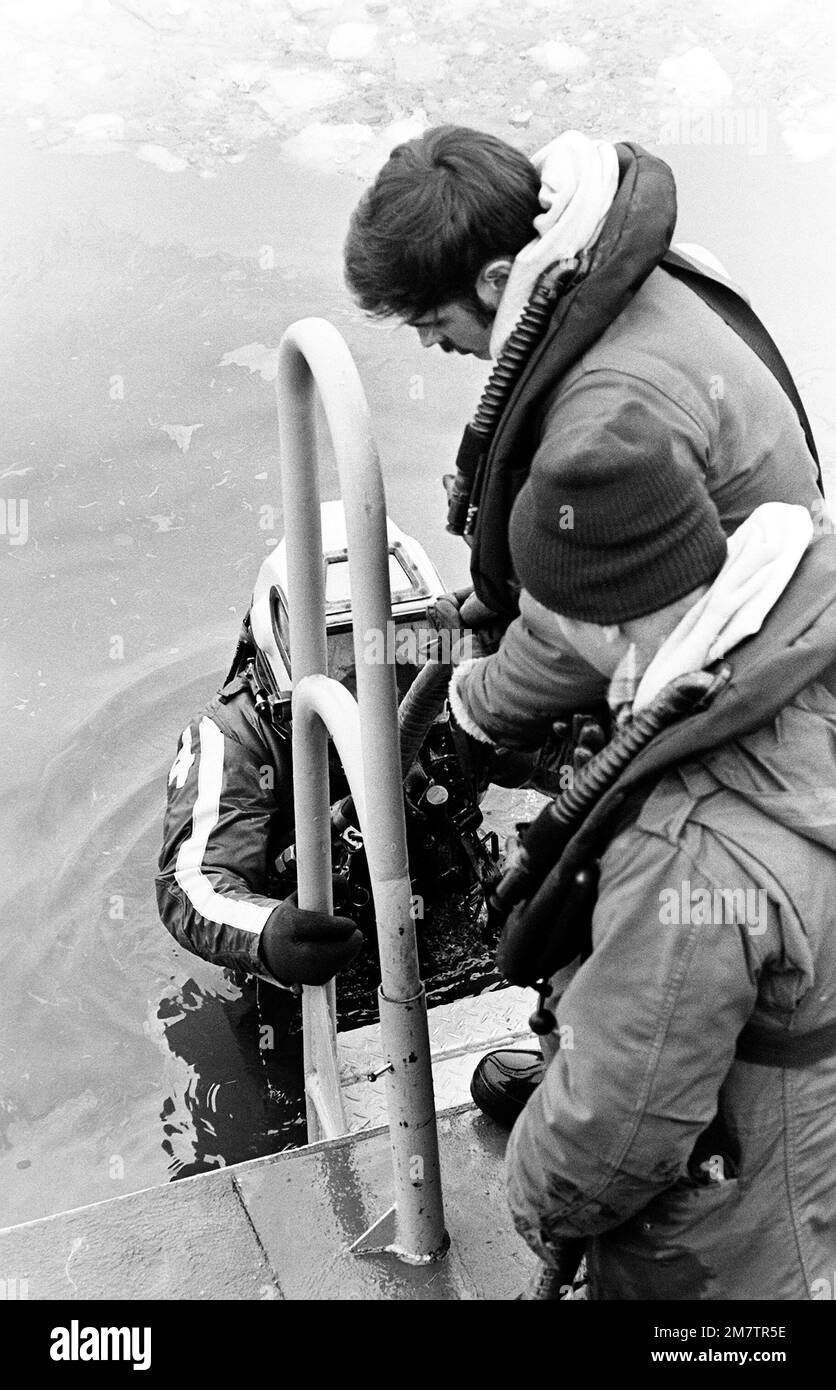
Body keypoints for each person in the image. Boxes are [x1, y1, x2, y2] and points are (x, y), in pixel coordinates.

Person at [344, 122, 828, 1119]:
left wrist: (468, 713)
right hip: (759, 623)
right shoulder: (632, 284)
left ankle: (614, 1099)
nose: (430, 345)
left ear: (490, 283)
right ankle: (615, 1054)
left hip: (730, 685)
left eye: (426, 321)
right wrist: (489, 597)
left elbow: (580, 634)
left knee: (606, 869)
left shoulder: (607, 408)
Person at [457, 432, 836, 1298]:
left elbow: (612, 1139)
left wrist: (533, 1195)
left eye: (544, 614)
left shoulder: (687, 861)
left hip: (741, 1253)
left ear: (599, 616)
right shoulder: (799, 643)